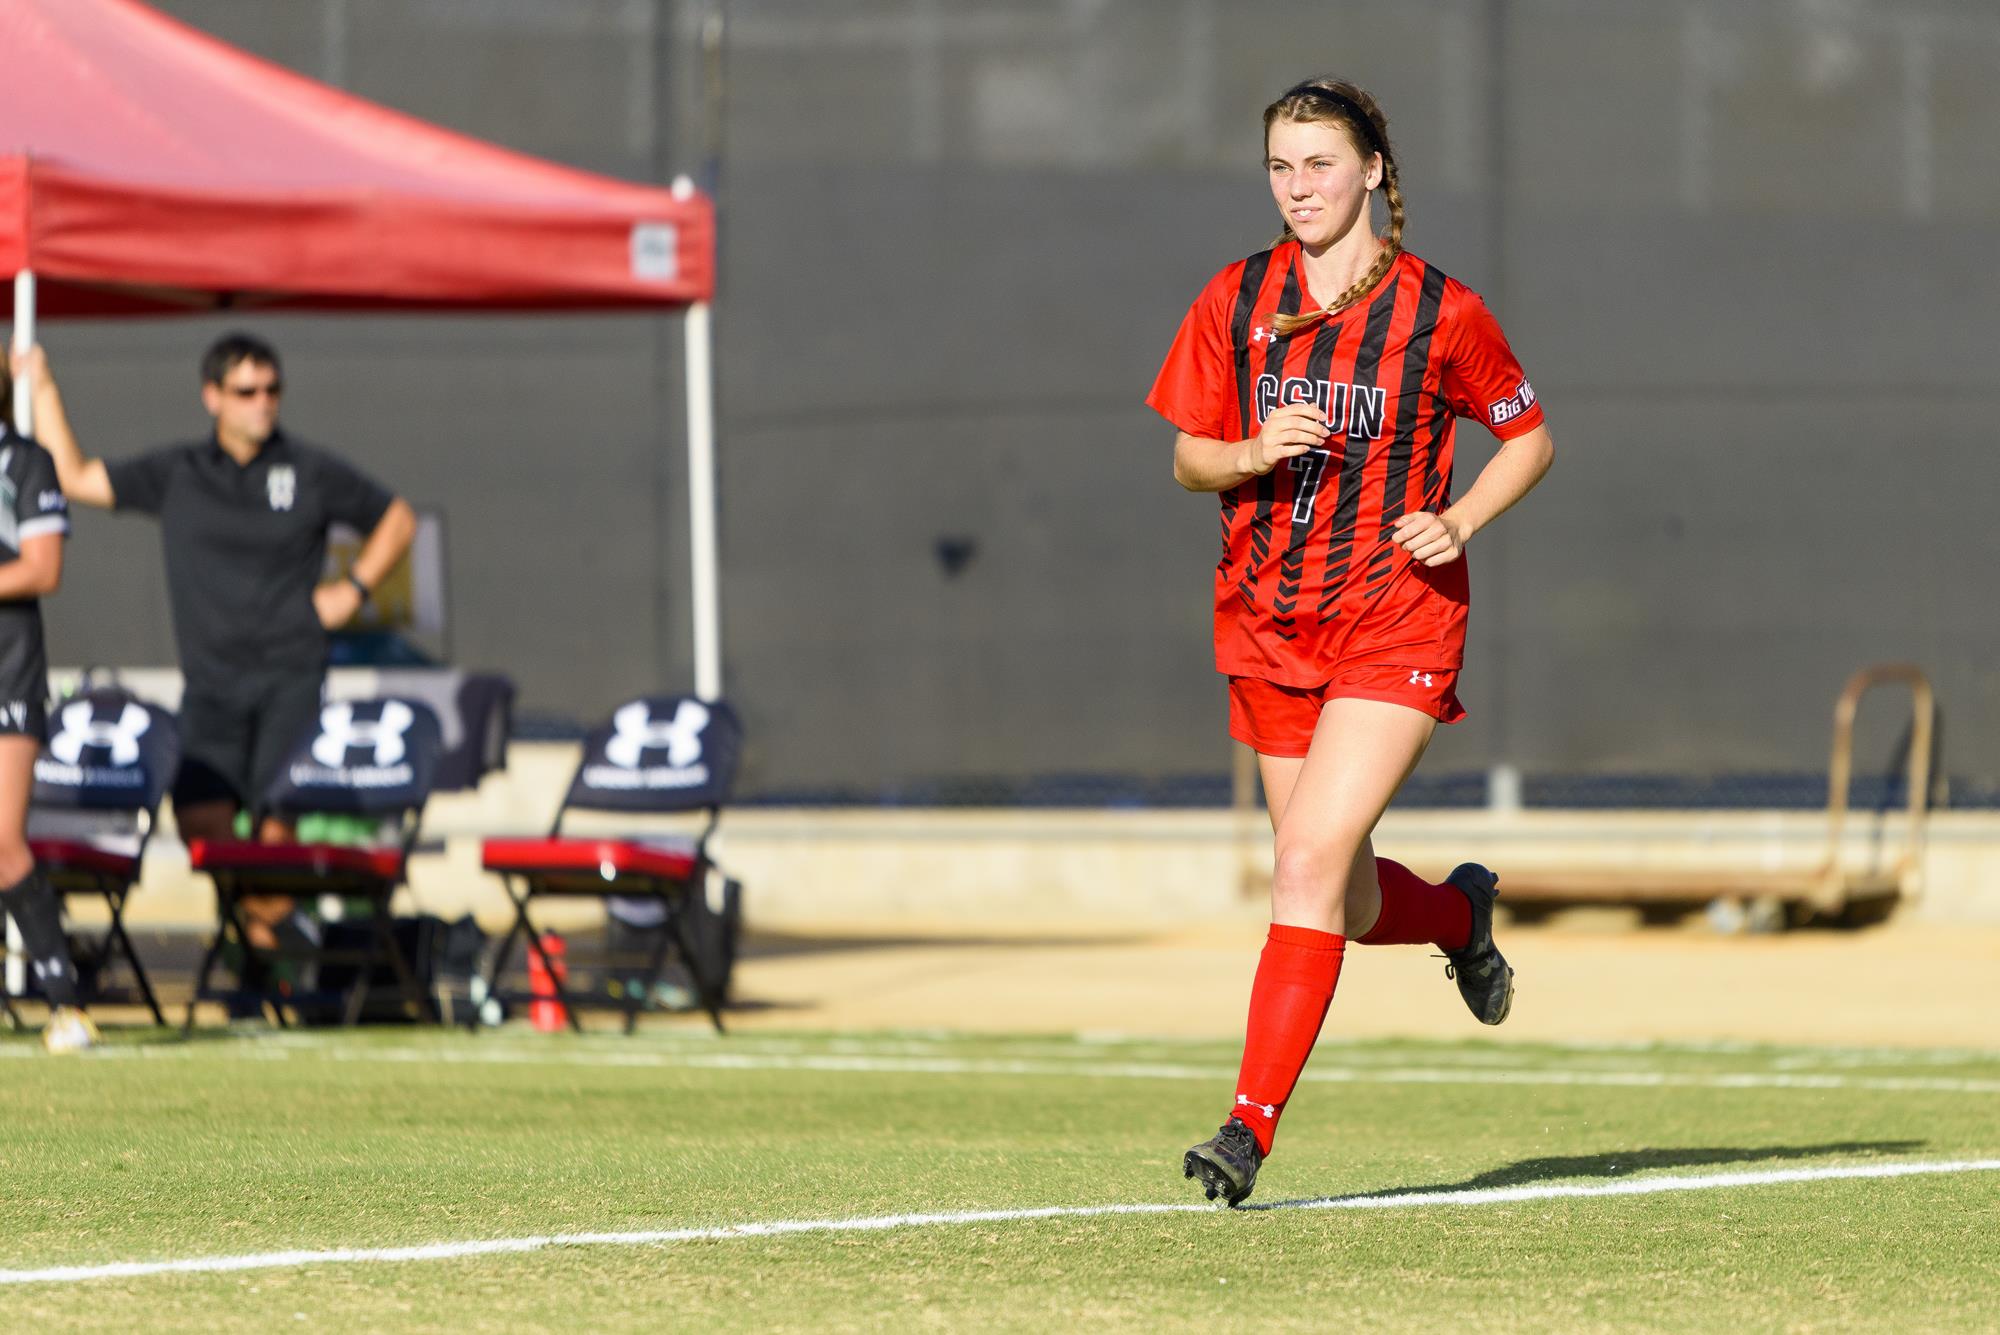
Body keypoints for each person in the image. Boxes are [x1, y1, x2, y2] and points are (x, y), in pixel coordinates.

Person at [1147, 78, 1555, 1205]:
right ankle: (1458, 915)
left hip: (1395, 615)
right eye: (1280, 167)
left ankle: (1244, 1130)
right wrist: (1245, 452)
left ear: (1373, 168)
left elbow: (1527, 438)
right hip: (1267, 618)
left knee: (1304, 865)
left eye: (1318, 164)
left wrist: (1459, 517)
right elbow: (1188, 454)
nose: (1297, 188)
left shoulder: (1442, 312)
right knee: (1344, 896)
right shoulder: (1237, 297)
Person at [21, 335, 416, 956]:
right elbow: (74, 478)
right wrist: (41, 385)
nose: (262, 404)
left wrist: (352, 590)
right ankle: (266, 939)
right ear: (213, 397)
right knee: (202, 821)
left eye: (272, 390)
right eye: (246, 391)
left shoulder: (307, 470)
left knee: (275, 828)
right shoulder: (180, 473)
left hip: (291, 671)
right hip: (211, 681)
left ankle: (267, 963)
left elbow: (397, 517)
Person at [0, 352, 97, 1051]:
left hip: (7, 670)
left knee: (1, 843)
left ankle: (65, 999)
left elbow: (44, 567)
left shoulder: (23, 462)